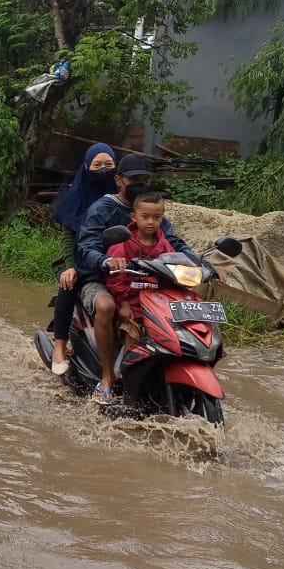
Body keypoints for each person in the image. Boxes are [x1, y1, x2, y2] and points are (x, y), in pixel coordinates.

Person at [73, 154, 204, 404]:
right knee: (106, 306)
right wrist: (105, 261)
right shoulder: (103, 209)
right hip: (104, 277)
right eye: (134, 178)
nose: (140, 183)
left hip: (145, 282)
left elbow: (174, 244)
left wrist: (202, 263)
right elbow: (86, 245)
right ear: (119, 180)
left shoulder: (153, 212)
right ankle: (108, 376)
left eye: (144, 179)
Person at [47, 143, 117, 375]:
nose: (103, 169)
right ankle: (59, 345)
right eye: (97, 165)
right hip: (77, 259)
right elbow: (68, 236)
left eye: (109, 164)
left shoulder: (122, 198)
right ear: (87, 166)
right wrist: (70, 266)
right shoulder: (76, 196)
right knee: (69, 283)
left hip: (112, 261)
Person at [105, 191, 174, 327]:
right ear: (134, 217)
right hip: (132, 303)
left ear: (162, 218)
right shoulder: (123, 244)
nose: (151, 222)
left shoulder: (164, 244)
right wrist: (124, 304)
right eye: (145, 217)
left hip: (159, 302)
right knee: (132, 334)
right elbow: (115, 278)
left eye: (156, 217)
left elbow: (174, 265)